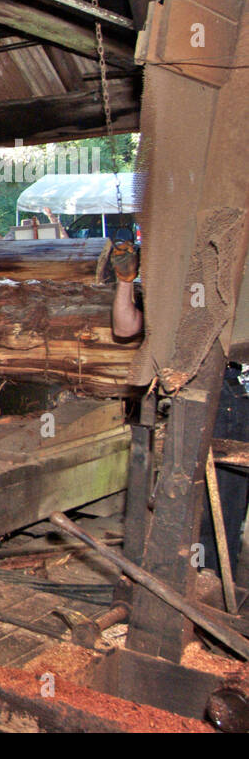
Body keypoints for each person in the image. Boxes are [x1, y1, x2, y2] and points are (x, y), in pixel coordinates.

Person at [107, 234, 249, 579]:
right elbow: (125, 327)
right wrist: (126, 282)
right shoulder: (184, 270)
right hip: (228, 395)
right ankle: (207, 592)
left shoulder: (233, 259)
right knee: (218, 515)